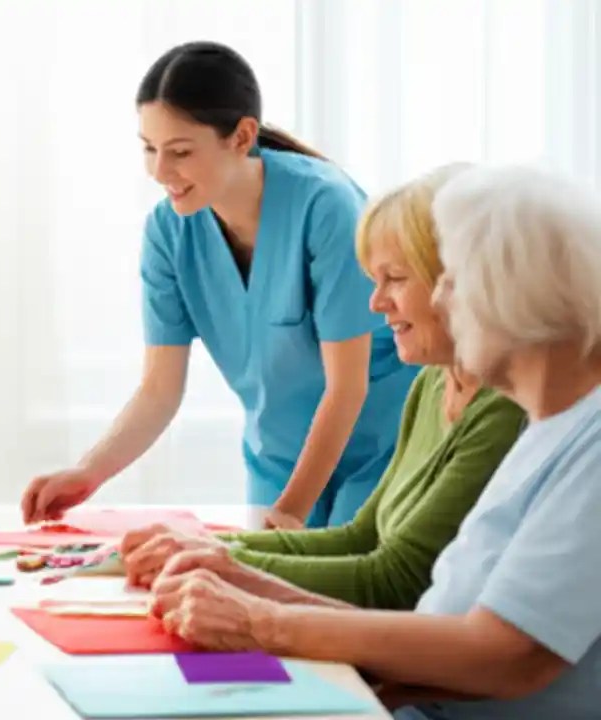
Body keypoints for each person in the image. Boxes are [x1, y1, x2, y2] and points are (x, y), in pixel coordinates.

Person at [150, 164, 601, 719]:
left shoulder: (588, 443)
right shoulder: (549, 428)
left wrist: (259, 619)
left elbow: (508, 656)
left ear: (515, 294)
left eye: (450, 280)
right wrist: (242, 581)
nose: (439, 300)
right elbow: (438, 629)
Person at [22, 41, 417, 529]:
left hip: (376, 447)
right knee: (254, 593)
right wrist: (87, 472)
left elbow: (346, 386)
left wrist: (290, 515)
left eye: (181, 152)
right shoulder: (169, 232)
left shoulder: (326, 207)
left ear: (241, 136)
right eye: (149, 149)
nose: (160, 172)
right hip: (280, 457)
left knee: (344, 590)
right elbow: (159, 390)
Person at [118, 166, 524, 609]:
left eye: (396, 278)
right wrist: (208, 550)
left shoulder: (504, 407)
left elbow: (396, 577)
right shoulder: (431, 383)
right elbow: (360, 536)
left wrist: (221, 563)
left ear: (459, 280)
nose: (375, 303)